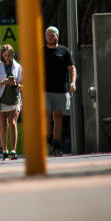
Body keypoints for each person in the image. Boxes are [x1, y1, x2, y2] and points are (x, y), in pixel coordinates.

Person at [43, 25, 76, 156]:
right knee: (46, 114)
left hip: (61, 90)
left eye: (53, 34)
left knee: (57, 117)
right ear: (45, 37)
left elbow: (72, 68)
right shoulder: (41, 51)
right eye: (48, 34)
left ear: (57, 36)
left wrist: (73, 82)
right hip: (44, 90)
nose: (50, 36)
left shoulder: (65, 51)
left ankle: (57, 144)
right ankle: (48, 140)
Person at [0, 44, 22, 160]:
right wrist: (2, 83)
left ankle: (13, 150)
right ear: (2, 56)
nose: (8, 58)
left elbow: (23, 85)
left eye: (10, 55)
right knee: (4, 126)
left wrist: (15, 84)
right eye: (5, 56)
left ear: (13, 54)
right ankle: (4, 151)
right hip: (1, 100)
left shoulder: (18, 67)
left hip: (14, 99)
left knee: (13, 123)